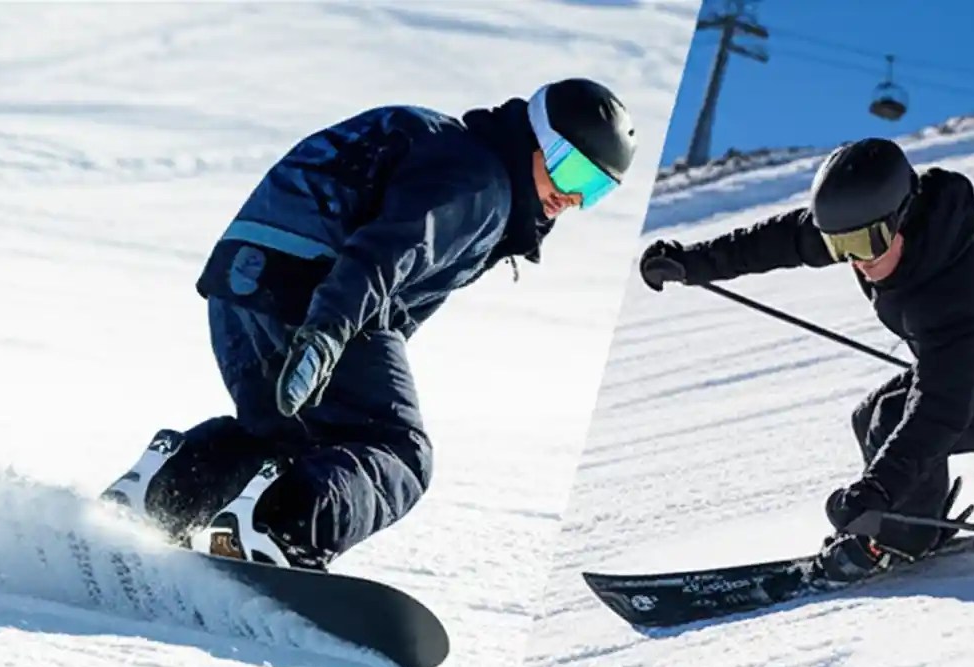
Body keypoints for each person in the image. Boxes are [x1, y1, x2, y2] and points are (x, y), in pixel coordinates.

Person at [103, 78, 638, 570]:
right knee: (400, 452)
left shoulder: (446, 146)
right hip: (320, 291)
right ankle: (280, 533)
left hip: (239, 284)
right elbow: (382, 254)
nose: (572, 198)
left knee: (292, 437)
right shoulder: (480, 182)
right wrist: (327, 332)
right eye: (572, 172)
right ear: (534, 137)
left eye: (595, 190)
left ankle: (162, 498)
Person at [638, 138, 974, 582]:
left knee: (894, 417)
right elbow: (776, 241)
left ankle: (905, 538)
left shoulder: (953, 292)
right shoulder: (869, 232)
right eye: (839, 247)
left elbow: (939, 412)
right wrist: (692, 263)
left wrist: (878, 491)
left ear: (903, 218)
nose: (856, 261)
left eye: (864, 243)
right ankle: (909, 525)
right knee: (866, 418)